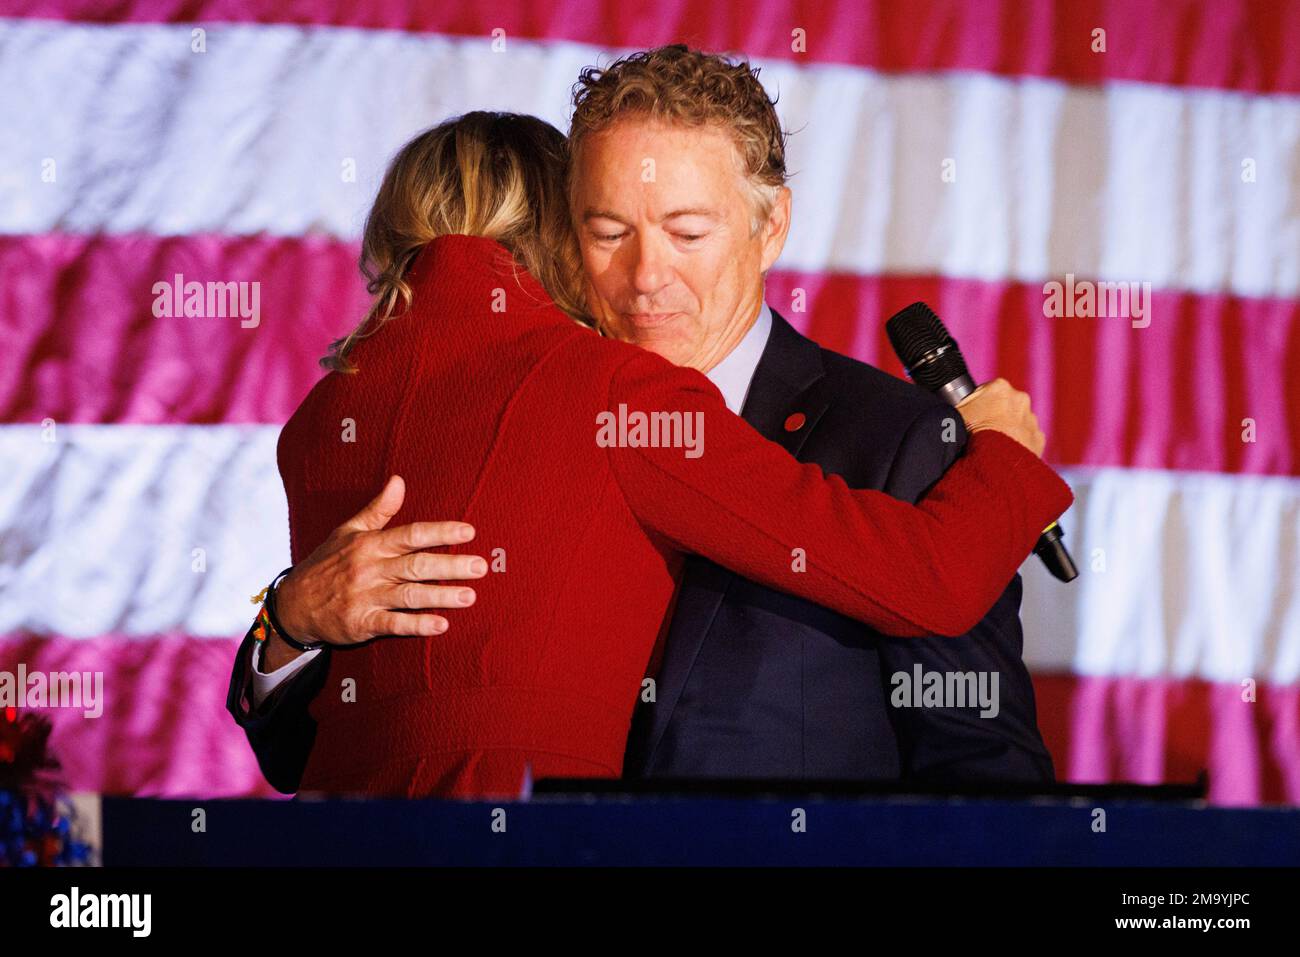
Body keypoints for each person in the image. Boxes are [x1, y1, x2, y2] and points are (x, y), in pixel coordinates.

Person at [228, 105, 1071, 800]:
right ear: (562, 237)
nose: (645, 275)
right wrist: (1001, 456)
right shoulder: (606, 389)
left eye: (686, 231)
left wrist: (288, 624)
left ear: (769, 225)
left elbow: (983, 770)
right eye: (607, 231)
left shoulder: (318, 422)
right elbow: (928, 575)